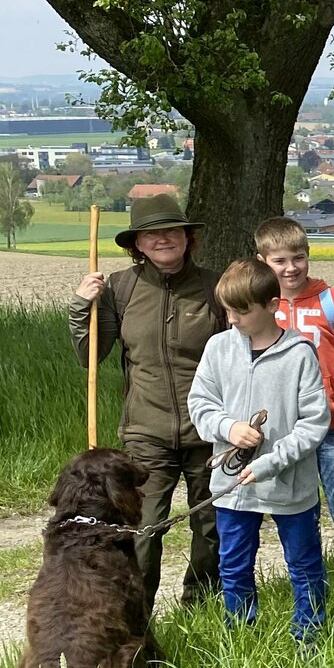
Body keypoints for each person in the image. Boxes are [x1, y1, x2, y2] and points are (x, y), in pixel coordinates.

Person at [69, 192, 224, 608]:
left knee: (210, 523)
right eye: (151, 234)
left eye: (172, 230)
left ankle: (201, 604)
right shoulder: (120, 288)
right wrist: (82, 307)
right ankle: (137, 613)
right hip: (145, 432)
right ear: (136, 243)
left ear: (187, 237)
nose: (162, 239)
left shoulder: (215, 287)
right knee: (146, 524)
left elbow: (240, 353)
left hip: (209, 428)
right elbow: (90, 356)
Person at [186, 258, 331, 642]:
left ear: (272, 305)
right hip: (233, 487)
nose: (232, 319)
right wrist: (228, 427)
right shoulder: (219, 347)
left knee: (303, 565)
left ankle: (309, 639)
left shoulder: (300, 353)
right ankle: (240, 640)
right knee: (233, 566)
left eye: (241, 311)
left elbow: (314, 423)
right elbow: (200, 403)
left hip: (289, 486)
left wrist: (271, 462)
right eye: (227, 310)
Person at [256, 217, 334, 616]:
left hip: (333, 430)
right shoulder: (258, 307)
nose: (291, 268)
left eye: (299, 258)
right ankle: (310, 593)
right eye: (279, 261)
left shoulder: (332, 301)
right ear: (263, 262)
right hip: (284, 434)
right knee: (298, 517)